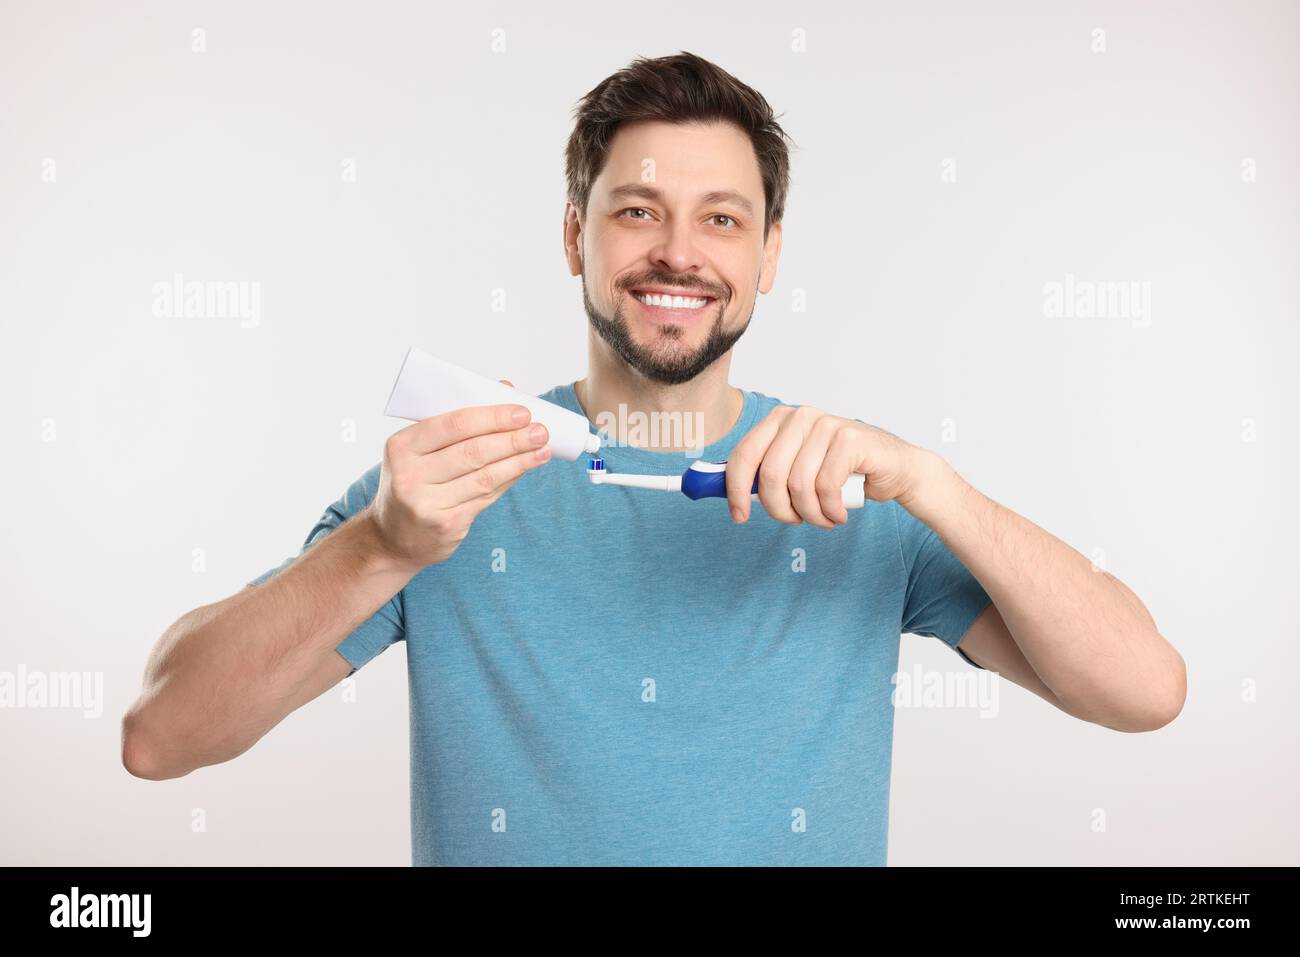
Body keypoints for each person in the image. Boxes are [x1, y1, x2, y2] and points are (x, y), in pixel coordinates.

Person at [122, 51, 1186, 866]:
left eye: (721, 219)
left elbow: (1144, 691)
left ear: (769, 255)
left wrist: (933, 486)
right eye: (638, 212)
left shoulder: (854, 493)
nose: (679, 251)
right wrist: (378, 550)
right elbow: (161, 737)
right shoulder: (445, 492)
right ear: (575, 234)